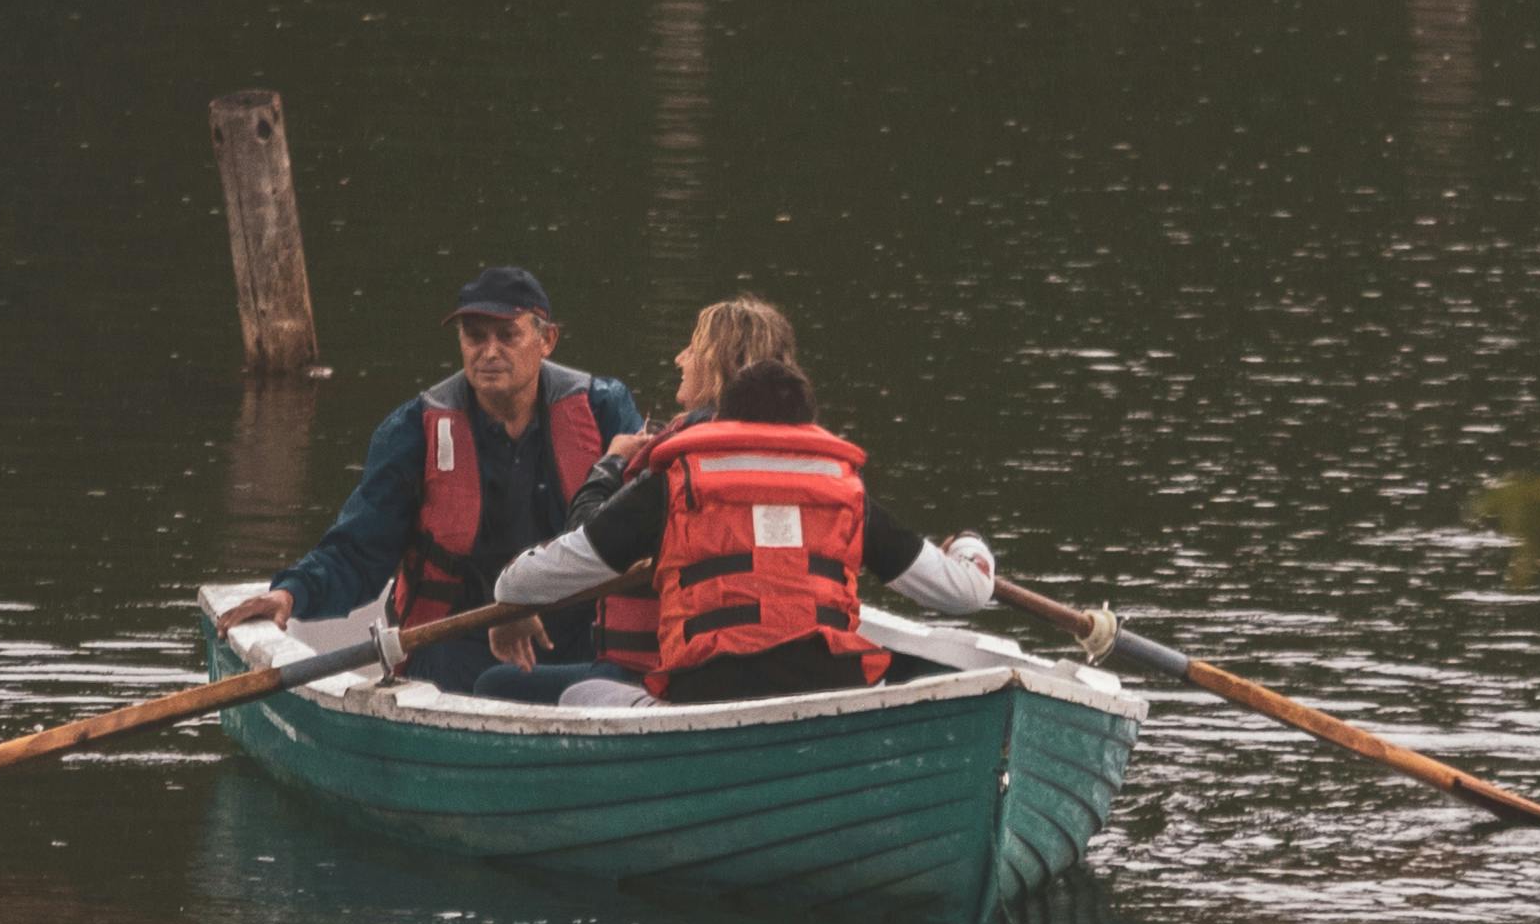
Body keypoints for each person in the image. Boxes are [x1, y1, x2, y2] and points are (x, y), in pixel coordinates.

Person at [485, 290, 995, 704]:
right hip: (830, 688)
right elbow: (967, 593)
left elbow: (530, 577)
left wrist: (608, 469)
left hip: (696, 693)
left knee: (521, 689)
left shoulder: (677, 479)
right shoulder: (840, 488)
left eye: (691, 347)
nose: (679, 357)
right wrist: (970, 546)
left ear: (722, 378)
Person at [218, 268, 651, 701]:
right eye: (475, 336)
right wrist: (291, 594)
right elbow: (359, 549)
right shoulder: (413, 430)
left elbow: (645, 527)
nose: (489, 351)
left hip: (578, 636)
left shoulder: (603, 410)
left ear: (547, 340)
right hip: (453, 643)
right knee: (486, 687)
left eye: (507, 335)